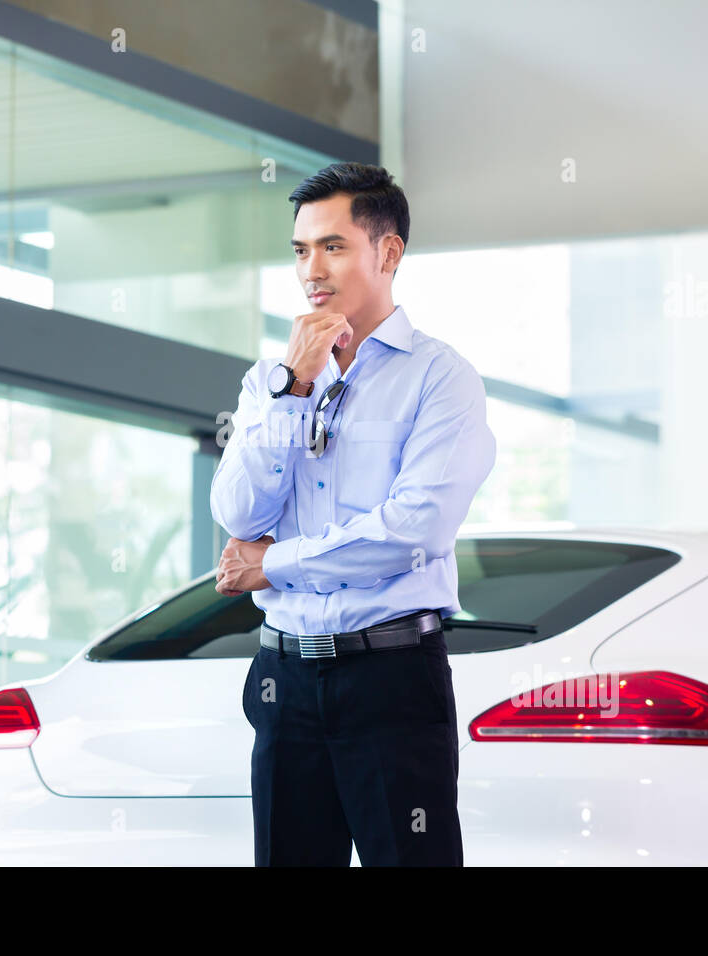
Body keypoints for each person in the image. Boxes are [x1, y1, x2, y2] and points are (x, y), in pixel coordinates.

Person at [209, 161, 496, 866]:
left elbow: (413, 530)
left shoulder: (440, 378)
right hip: (284, 678)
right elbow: (237, 510)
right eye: (301, 250)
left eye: (333, 246)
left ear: (388, 252)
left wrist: (273, 563)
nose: (312, 270)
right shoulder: (271, 380)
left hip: (390, 678)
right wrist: (294, 388)